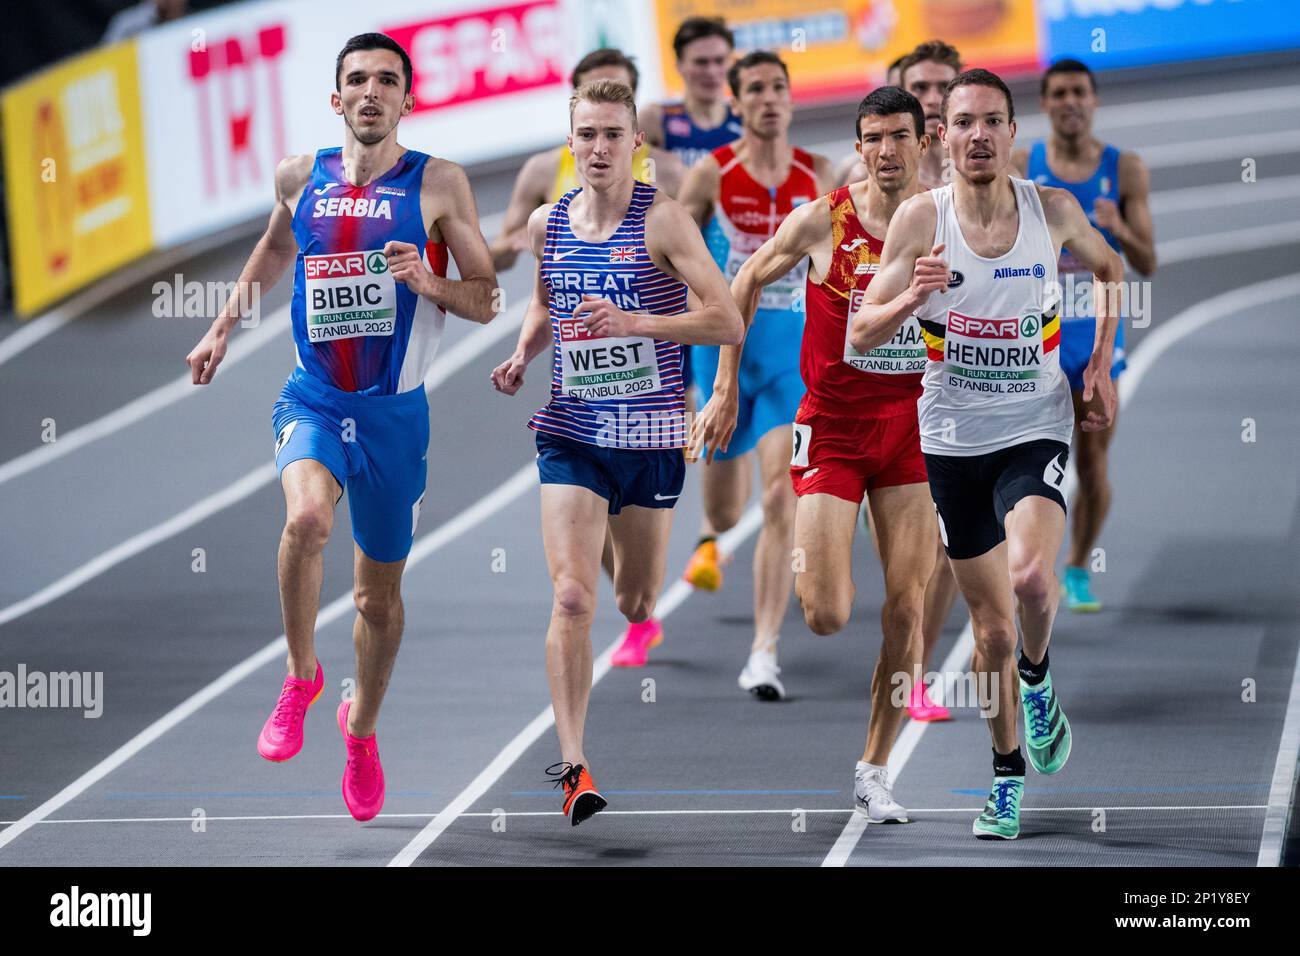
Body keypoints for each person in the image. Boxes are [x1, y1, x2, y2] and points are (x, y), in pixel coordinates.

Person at [185, 34, 498, 822]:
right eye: (356, 80)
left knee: (377, 603)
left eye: (386, 82)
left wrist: (430, 279)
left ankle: (360, 731)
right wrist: (223, 326)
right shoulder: (301, 176)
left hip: (396, 417)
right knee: (306, 516)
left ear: (406, 100)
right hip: (316, 398)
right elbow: (273, 247)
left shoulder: (440, 185)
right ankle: (300, 676)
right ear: (336, 100)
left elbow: (488, 297)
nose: (370, 93)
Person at [851, 69, 1123, 839]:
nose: (975, 135)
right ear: (942, 136)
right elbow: (859, 332)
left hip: (1034, 425)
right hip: (951, 440)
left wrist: (1097, 363)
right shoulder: (917, 221)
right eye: (961, 122)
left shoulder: (1053, 209)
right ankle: (1006, 777)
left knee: (1033, 578)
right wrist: (909, 297)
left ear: (1010, 134)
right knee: (990, 632)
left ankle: (1038, 678)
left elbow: (1109, 271)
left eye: (990, 122)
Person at [490, 79, 742, 825]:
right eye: (587, 135)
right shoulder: (548, 222)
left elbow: (725, 319)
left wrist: (635, 319)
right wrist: (522, 353)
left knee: (635, 597)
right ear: (570, 144)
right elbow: (547, 303)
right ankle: (573, 766)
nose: (599, 149)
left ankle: (631, 593)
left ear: (637, 145)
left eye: (613, 135)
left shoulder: (662, 223)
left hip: (652, 436)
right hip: (571, 428)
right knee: (571, 597)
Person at [713, 86, 933, 818]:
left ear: (922, 141)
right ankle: (829, 545)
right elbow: (745, 277)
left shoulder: (946, 221)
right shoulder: (822, 220)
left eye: (900, 136)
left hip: (911, 430)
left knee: (908, 607)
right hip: (833, 430)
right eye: (874, 138)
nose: (887, 151)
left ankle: (875, 768)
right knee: (828, 613)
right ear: (860, 146)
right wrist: (724, 389)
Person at [683, 50, 834, 699]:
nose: (769, 99)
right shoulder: (711, 175)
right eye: (756, 91)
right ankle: (712, 538)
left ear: (792, 99)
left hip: (788, 354)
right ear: (737, 103)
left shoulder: (819, 174)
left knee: (779, 495)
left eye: (779, 88)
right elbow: (669, 254)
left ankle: (764, 651)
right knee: (722, 507)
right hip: (722, 354)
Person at [1013, 58, 1156, 612]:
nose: (1071, 101)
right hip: (1035, 329)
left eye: (1080, 92)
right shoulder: (1026, 164)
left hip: (1096, 333)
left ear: (1093, 101)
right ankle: (1024, 558)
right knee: (1024, 454)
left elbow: (1148, 262)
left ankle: (1076, 565)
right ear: (1045, 104)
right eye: (1059, 93)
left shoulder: (1126, 170)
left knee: (1092, 461)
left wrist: (1117, 229)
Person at [490, 48, 686, 274]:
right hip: (572, 305)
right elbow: (497, 263)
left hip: (647, 306)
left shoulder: (669, 170)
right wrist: (512, 244)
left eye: (616, 91)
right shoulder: (543, 170)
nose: (604, 99)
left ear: (634, 99)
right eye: (592, 91)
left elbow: (696, 259)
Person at [837, 41, 961, 190]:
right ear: (902, 94)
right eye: (920, 87)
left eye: (945, 87)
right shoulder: (867, 177)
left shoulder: (980, 168)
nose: (933, 99)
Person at [641, 17, 743, 167]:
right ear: (679, 65)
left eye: (719, 61)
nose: (711, 71)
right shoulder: (655, 119)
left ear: (731, 63)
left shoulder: (747, 119)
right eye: (701, 62)